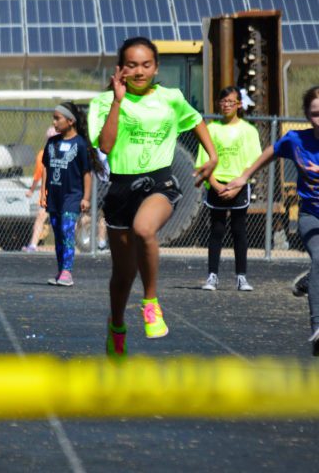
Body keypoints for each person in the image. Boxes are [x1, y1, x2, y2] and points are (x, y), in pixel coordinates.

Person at [89, 37, 217, 359]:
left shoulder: (171, 98)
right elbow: (104, 146)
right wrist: (117, 101)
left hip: (160, 183)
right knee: (122, 275)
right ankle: (117, 326)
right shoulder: (103, 103)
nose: (139, 70)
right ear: (120, 69)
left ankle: (150, 302)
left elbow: (196, 120)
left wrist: (211, 156)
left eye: (146, 64)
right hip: (120, 190)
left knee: (145, 229)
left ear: (156, 67)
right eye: (131, 65)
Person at [223, 85, 319, 355]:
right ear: (306, 115)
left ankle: (309, 280)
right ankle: (318, 327)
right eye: (314, 114)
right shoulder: (296, 141)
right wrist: (243, 177)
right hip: (312, 215)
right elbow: (270, 153)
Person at [196, 86, 262, 292]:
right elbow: (203, 162)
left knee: (239, 230)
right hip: (216, 184)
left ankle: (241, 276)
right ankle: (212, 276)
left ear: (239, 105)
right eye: (223, 101)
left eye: (231, 102)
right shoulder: (211, 129)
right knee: (216, 230)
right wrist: (215, 185)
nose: (226, 105)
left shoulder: (249, 131)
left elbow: (254, 163)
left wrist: (236, 186)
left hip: (239, 186)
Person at [41, 102, 99, 287]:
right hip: (55, 196)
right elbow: (45, 168)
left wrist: (86, 198)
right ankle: (60, 270)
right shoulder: (52, 143)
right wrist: (43, 192)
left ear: (71, 121)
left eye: (57, 118)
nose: (54, 122)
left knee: (67, 230)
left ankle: (67, 271)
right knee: (57, 232)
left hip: (72, 196)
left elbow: (86, 173)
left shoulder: (80, 145)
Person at [23, 126, 58, 252]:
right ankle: (33, 245)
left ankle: (64, 245)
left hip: (61, 192)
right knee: (41, 217)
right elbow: (38, 175)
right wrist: (32, 190)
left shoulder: (64, 154)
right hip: (48, 193)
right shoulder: (42, 155)